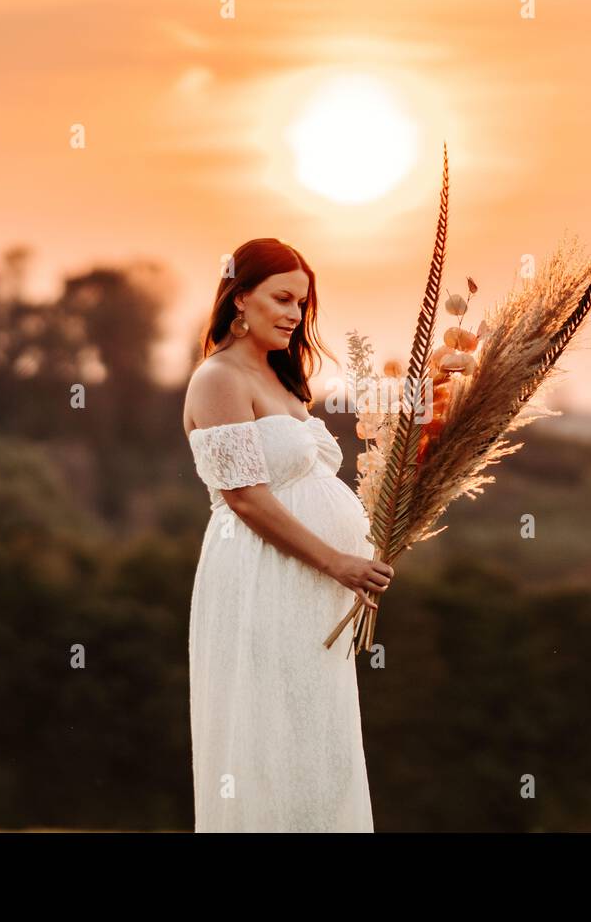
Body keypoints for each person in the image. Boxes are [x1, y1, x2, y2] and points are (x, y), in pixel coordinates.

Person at [182, 237, 395, 832]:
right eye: (280, 298)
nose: (293, 315)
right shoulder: (219, 378)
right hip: (261, 579)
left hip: (310, 589)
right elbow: (245, 498)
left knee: (317, 746)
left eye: (301, 304)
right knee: (268, 742)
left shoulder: (281, 381)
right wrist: (336, 562)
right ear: (238, 297)